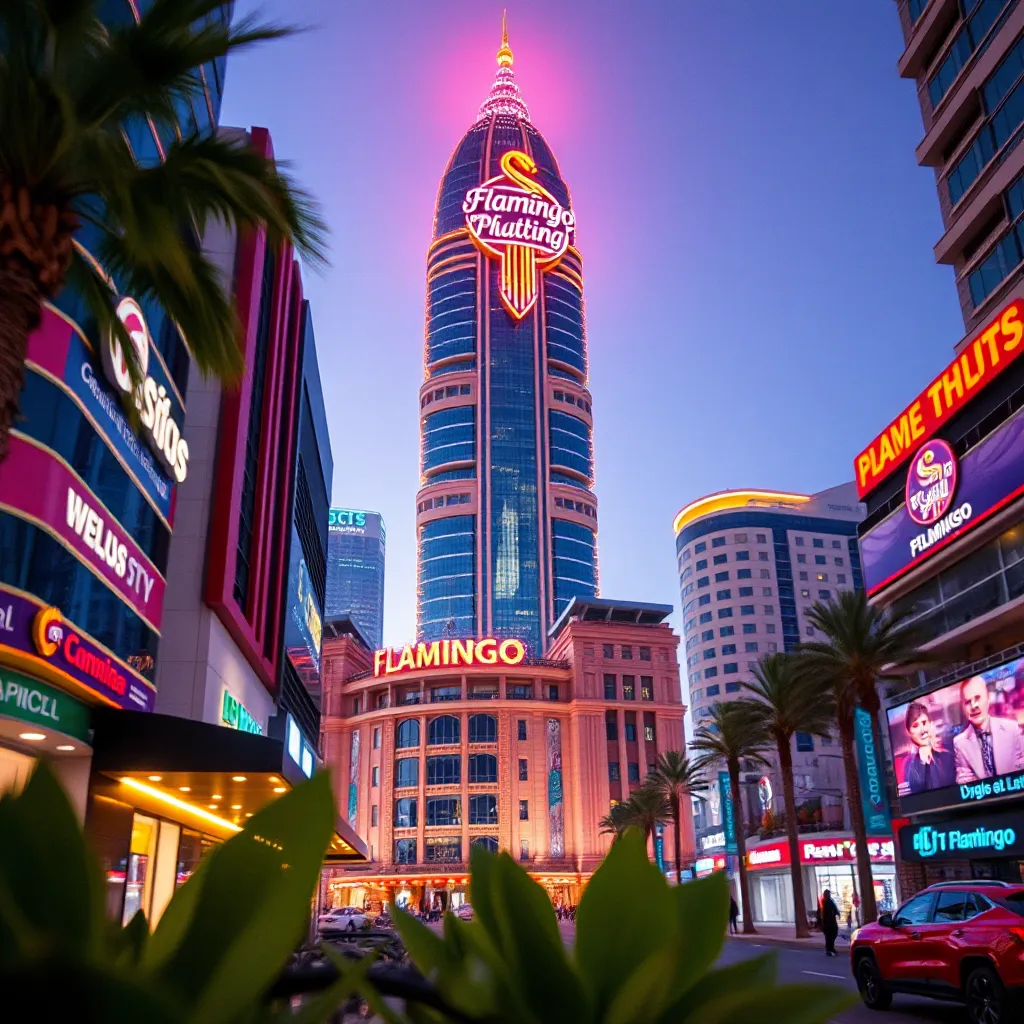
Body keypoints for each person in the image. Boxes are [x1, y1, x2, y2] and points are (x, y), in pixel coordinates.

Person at [953, 677, 1024, 783]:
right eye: (967, 702)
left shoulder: (1012, 729)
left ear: (988, 698)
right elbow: (965, 783)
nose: (974, 706)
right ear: (963, 707)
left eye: (977, 698)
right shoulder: (960, 743)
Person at [903, 701, 955, 793]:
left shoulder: (947, 756)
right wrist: (922, 761)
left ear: (930, 724)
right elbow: (916, 791)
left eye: (924, 723)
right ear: (909, 732)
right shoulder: (908, 765)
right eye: (915, 726)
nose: (923, 730)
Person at [819, 889, 840, 957]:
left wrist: (837, 913)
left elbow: (834, 908)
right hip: (827, 922)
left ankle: (831, 948)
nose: (829, 895)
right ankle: (829, 950)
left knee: (834, 933)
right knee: (828, 936)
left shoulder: (830, 901)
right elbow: (822, 913)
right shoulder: (824, 902)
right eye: (828, 894)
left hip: (832, 921)